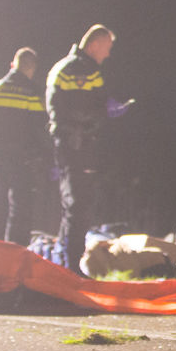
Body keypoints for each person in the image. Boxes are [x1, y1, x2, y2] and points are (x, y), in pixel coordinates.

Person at [47, 24, 120, 271]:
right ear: (94, 45)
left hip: (81, 147)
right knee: (77, 206)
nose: (108, 54)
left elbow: (92, 103)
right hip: (74, 146)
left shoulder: (87, 69)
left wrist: (107, 109)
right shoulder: (75, 71)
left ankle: (66, 264)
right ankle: (70, 267)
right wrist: (103, 111)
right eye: (106, 48)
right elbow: (75, 110)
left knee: (78, 207)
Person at [0, 47, 50, 246]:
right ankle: (16, 252)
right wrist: (49, 158)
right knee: (21, 209)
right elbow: (40, 130)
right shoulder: (32, 93)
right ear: (32, 68)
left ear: (13, 64)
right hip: (22, 159)